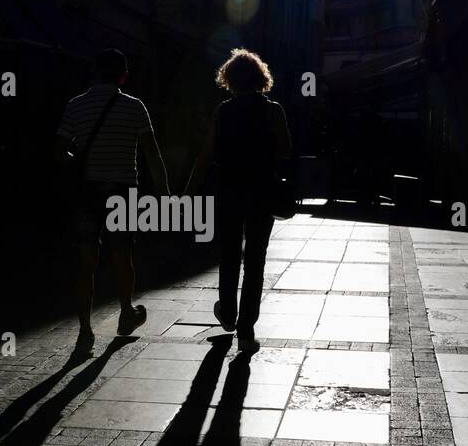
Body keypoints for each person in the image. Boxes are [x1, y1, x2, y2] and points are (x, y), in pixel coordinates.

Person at [56, 49, 169, 354]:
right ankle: (125, 313)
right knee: (122, 256)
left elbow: (59, 152)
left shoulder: (76, 106)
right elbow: (152, 154)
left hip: (87, 192)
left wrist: (79, 160)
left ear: (94, 72)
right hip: (122, 193)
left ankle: (84, 332)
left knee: (85, 262)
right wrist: (165, 194)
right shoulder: (135, 107)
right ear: (124, 75)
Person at [186, 48, 292, 353]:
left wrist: (189, 189)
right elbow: (286, 150)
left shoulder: (224, 111)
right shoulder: (273, 110)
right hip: (262, 191)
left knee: (229, 255)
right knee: (255, 261)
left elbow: (206, 154)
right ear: (261, 78)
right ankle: (246, 329)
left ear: (230, 79)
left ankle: (229, 315)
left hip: (229, 190)